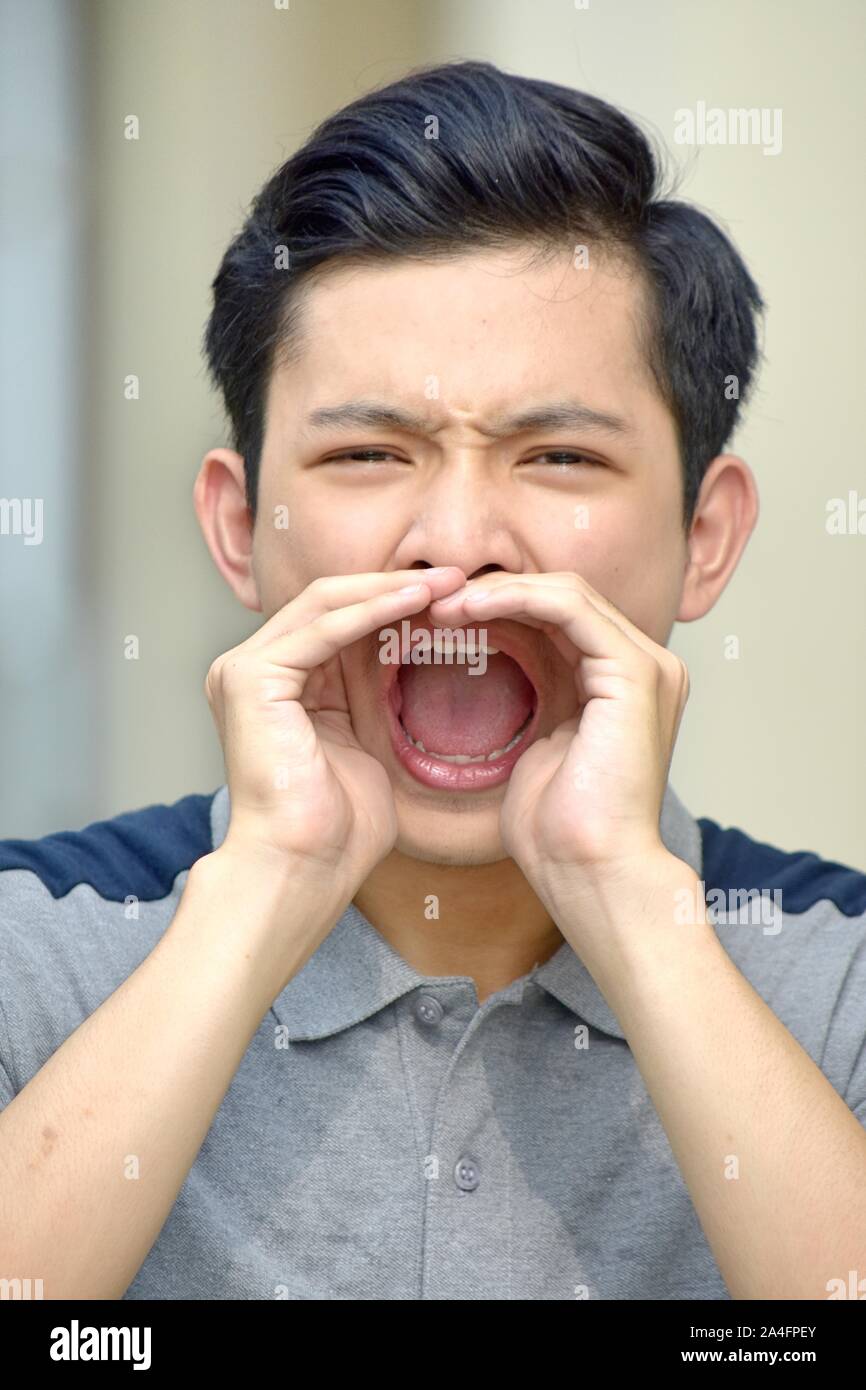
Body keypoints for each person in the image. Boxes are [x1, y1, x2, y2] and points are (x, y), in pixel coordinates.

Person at [1, 59, 864, 1303]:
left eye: (558, 454)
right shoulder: (36, 950)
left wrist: (630, 909)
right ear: (239, 527)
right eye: (366, 452)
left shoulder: (832, 977)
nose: (456, 542)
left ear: (706, 534)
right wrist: (265, 893)